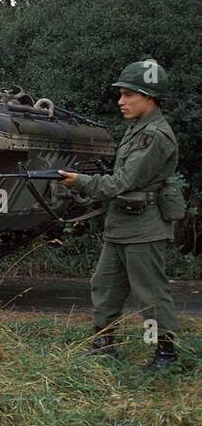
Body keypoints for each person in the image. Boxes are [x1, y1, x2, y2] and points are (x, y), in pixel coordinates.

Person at [58, 59, 184, 370]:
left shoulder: (155, 135)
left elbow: (123, 181)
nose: (121, 101)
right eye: (121, 94)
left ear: (149, 98)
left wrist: (82, 181)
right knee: (105, 285)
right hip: (123, 223)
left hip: (145, 226)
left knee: (150, 293)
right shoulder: (138, 129)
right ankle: (104, 343)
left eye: (129, 95)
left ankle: (165, 353)